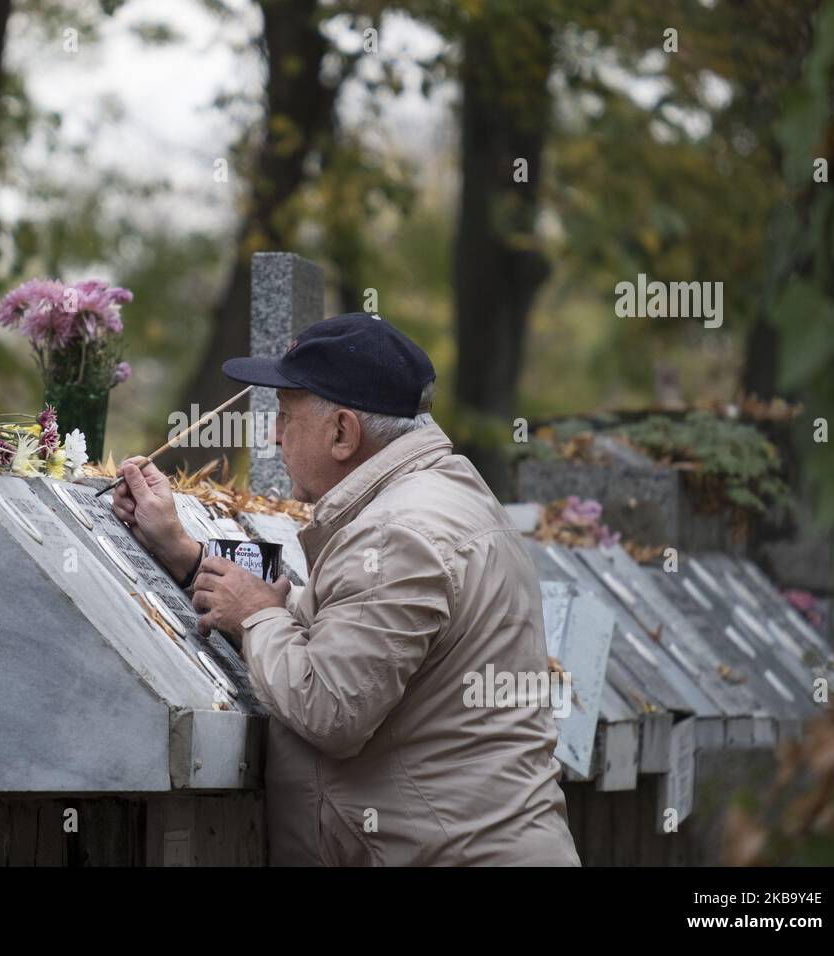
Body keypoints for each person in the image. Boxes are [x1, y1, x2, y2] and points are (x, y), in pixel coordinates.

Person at [112, 312, 581, 866]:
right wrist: (183, 554)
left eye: (286, 417)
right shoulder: (438, 500)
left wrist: (259, 618)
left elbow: (331, 707)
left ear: (342, 432)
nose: (274, 435)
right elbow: (346, 638)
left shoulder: (399, 532)